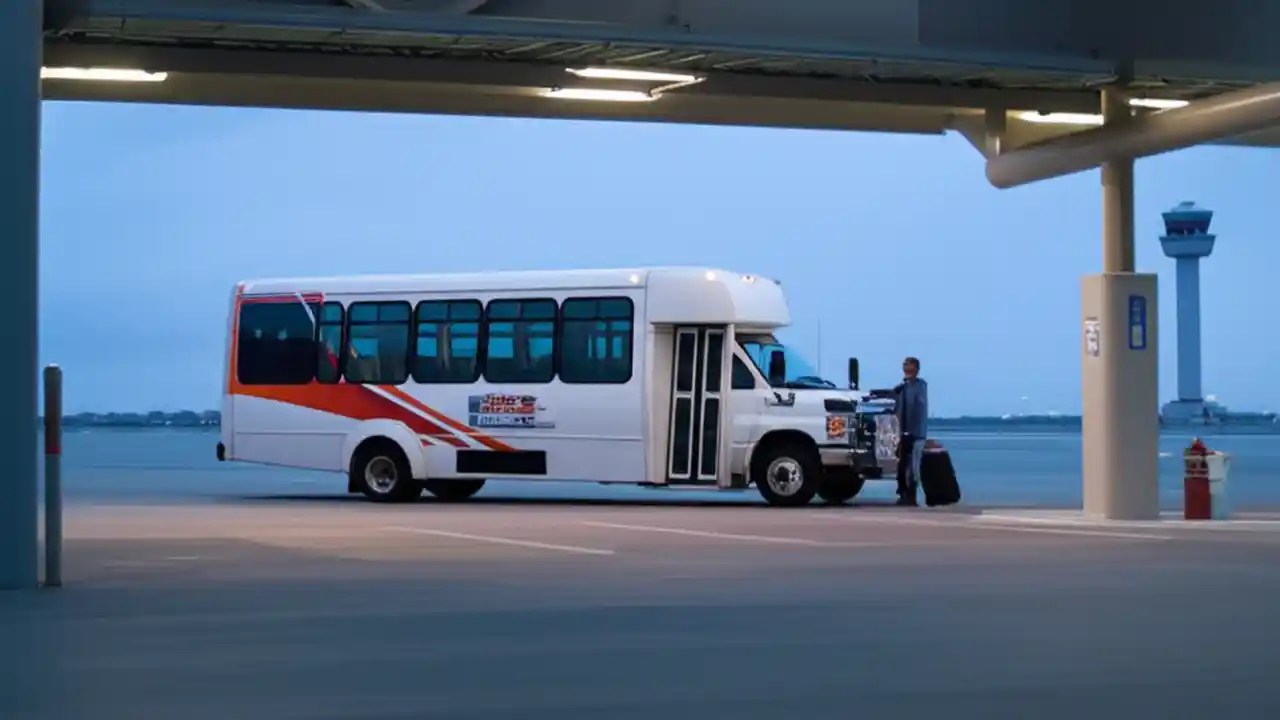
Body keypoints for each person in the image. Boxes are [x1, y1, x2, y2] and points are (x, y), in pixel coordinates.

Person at [894, 356, 928, 507]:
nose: (907, 371)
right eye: (905, 368)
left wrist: (915, 432)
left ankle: (912, 495)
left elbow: (918, 409)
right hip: (903, 432)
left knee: (914, 467)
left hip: (916, 433)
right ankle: (903, 494)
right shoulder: (901, 387)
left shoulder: (920, 386)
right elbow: (898, 409)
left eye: (910, 368)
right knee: (901, 465)